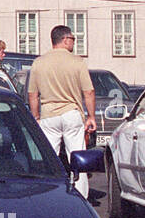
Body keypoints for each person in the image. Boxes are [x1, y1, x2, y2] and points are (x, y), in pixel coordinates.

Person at [27, 25, 97, 199]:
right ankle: (81, 197)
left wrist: (36, 117)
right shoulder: (77, 62)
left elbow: (32, 94)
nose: (74, 42)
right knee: (77, 158)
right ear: (65, 40)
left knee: (48, 159)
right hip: (72, 113)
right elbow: (88, 92)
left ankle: (47, 195)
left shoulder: (39, 62)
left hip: (48, 115)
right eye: (73, 38)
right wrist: (91, 117)